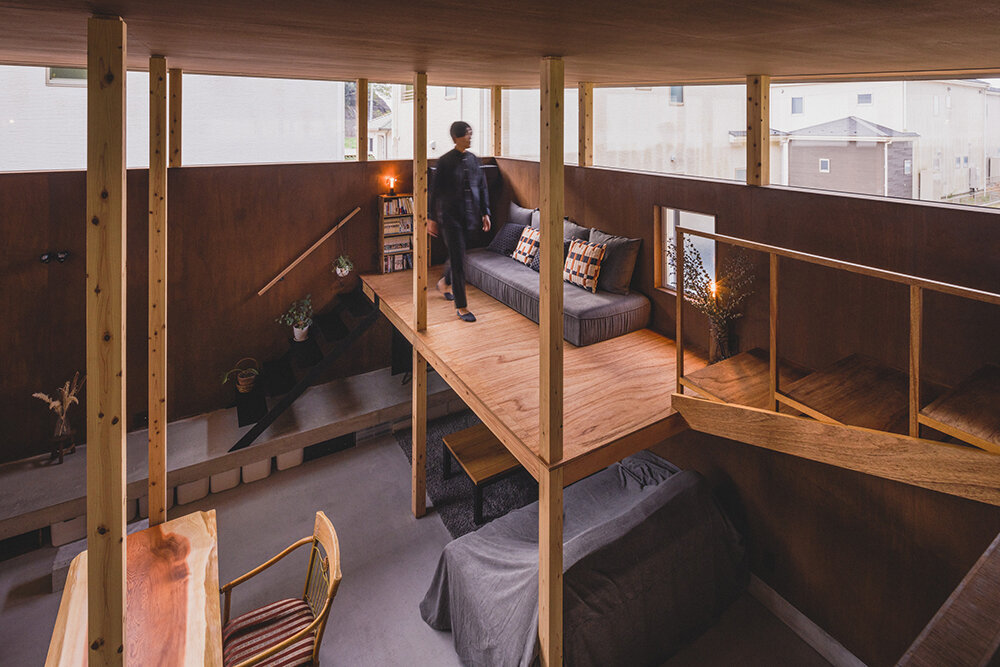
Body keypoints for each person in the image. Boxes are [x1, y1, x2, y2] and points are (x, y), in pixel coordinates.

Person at [428, 121, 491, 322]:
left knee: (459, 255)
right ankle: (461, 307)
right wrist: (431, 218)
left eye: (471, 133)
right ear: (456, 137)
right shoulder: (445, 161)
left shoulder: (474, 160)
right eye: (466, 134)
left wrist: (485, 213)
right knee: (458, 261)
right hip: (450, 218)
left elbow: (482, 187)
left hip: (469, 216)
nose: (470, 137)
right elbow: (434, 192)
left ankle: (444, 283)